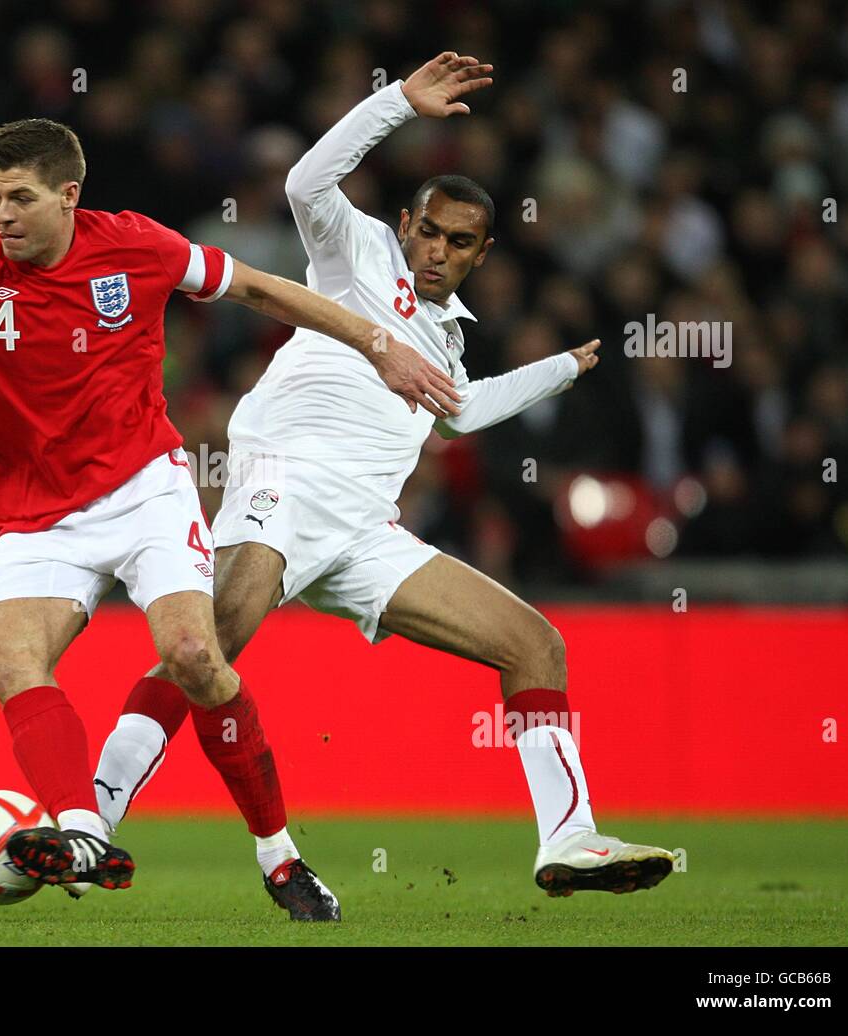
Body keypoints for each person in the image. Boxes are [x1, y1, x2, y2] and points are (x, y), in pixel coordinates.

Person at [93, 52, 674, 904]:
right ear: (406, 223)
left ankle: (569, 839)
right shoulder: (355, 251)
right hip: (286, 480)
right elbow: (302, 181)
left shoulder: (448, 338)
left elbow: (463, 411)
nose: (437, 252)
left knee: (536, 645)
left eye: (459, 242)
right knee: (211, 641)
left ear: (482, 252)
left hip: (366, 531)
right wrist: (399, 103)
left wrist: (561, 369)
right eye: (429, 231)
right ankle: (90, 822)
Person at [0, 117, 460, 913]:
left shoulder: (138, 247)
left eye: (21, 198)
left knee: (196, 659)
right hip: (36, 518)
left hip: (144, 490)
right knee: (7, 659)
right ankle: (80, 831)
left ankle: (279, 859)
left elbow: (260, 289)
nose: (2, 214)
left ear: (69, 195)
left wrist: (378, 343)